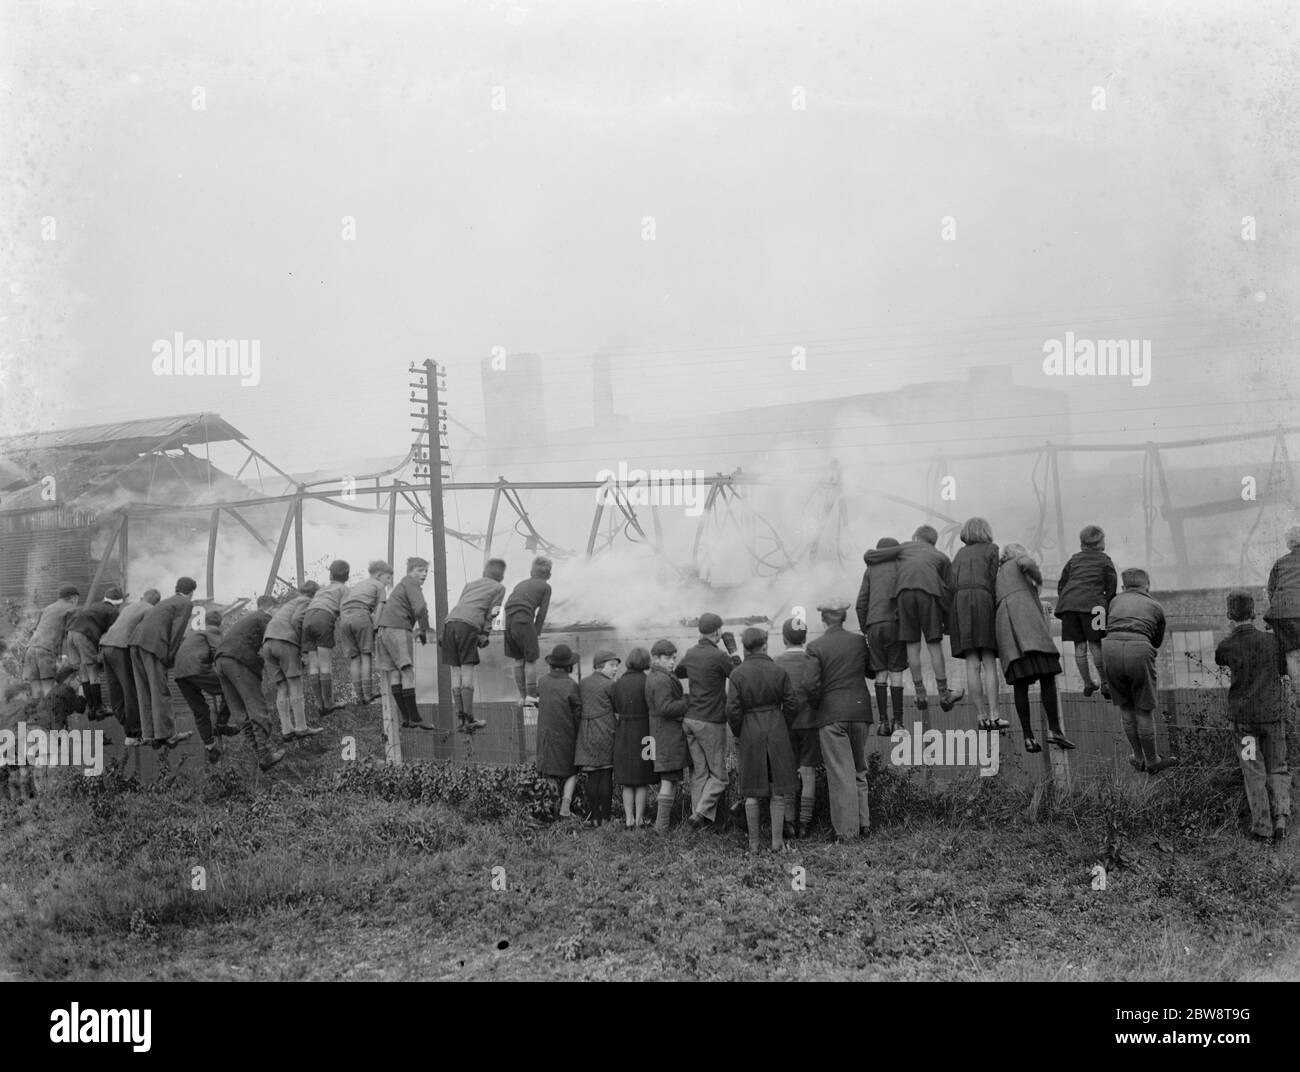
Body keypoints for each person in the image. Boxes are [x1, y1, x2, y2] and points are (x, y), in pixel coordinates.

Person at [1215, 590, 1290, 842]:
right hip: (1272, 716)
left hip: (1244, 721)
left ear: (1229, 615)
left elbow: (1220, 660)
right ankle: (1281, 820)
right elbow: (1282, 668)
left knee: (1252, 770)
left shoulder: (1226, 645)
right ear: (1254, 613)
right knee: (1278, 767)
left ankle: (1262, 827)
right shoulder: (1272, 642)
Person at [863, 526, 963, 711]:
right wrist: (948, 620)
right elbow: (951, 588)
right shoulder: (941, 557)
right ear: (933, 541)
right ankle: (943, 693)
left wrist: (873, 554)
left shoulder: (906, 547)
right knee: (934, 646)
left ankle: (920, 693)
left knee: (912, 646)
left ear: (916, 537)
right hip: (930, 595)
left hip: (904, 595)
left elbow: (871, 557)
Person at [804, 597, 873, 841]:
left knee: (840, 773)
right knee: (859, 769)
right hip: (860, 712)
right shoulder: (858, 641)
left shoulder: (815, 646)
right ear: (844, 617)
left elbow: (811, 687)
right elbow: (873, 670)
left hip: (832, 716)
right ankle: (864, 825)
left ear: (823, 619)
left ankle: (847, 833)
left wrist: (817, 707)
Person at [994, 544, 1074, 753]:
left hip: (1007, 630)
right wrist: (1037, 579)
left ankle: (1028, 737)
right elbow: (1026, 562)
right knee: (1047, 676)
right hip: (1027, 625)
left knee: (1020, 685)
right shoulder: (1017, 562)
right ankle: (1055, 730)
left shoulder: (997, 574)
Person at [727, 627, 800, 854]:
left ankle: (754, 845)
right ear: (766, 645)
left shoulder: (737, 674)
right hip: (776, 729)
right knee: (777, 790)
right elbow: (792, 705)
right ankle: (777, 843)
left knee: (751, 792)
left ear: (745, 647)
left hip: (750, 731)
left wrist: (741, 731)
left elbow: (732, 710)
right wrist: (781, 725)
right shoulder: (779, 671)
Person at [1102, 568, 1176, 774]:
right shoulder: (1155, 606)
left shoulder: (1114, 601)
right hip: (1139, 649)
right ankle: (1153, 760)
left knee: (1126, 708)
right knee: (1143, 709)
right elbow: (1157, 641)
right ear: (1148, 586)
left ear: (1123, 587)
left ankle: (1137, 756)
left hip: (1110, 648)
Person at [680, 612, 740, 830]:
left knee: (699, 773)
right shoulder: (719, 656)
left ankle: (702, 825)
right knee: (720, 777)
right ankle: (699, 814)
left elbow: (679, 670)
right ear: (717, 632)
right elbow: (740, 676)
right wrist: (733, 651)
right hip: (711, 721)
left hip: (690, 719)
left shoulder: (690, 653)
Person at [214, 596, 286, 772]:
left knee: (240, 714)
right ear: (272, 608)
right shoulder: (264, 618)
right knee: (257, 709)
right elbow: (275, 644)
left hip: (221, 663)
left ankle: (261, 756)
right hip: (238, 661)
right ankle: (265, 752)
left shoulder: (247, 621)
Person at [949, 518, 1006, 733]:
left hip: (960, 604)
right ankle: (995, 714)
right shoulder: (992, 549)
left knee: (972, 663)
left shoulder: (960, 554)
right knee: (989, 662)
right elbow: (993, 580)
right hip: (982, 600)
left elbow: (952, 582)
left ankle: (981, 715)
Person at [441, 558, 508, 733]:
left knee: (455, 672)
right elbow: (493, 612)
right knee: (467, 672)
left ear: (485, 571)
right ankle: (470, 718)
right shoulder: (499, 588)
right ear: (501, 575)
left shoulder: (470, 584)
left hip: (449, 624)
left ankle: (461, 720)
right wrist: (485, 634)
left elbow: (462, 605)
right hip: (468, 626)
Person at [129, 577, 197, 749]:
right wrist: (169, 658)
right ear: (192, 592)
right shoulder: (185, 603)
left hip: (136, 643)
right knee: (160, 690)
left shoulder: (166, 602)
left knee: (144, 690)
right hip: (153, 646)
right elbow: (176, 632)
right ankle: (168, 734)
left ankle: (149, 734)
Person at [1055, 525, 1118, 698]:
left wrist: (1070, 600)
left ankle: (1088, 683)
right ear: (1099, 542)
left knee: (1079, 646)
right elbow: (1111, 588)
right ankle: (1105, 683)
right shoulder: (1105, 560)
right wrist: (1105, 604)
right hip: (1093, 606)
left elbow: (1062, 584)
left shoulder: (1074, 560)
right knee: (1095, 644)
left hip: (1070, 605)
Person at [262, 581, 324, 742]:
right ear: (315, 594)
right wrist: (302, 645)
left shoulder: (290, 603)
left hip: (268, 643)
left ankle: (287, 729)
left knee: (281, 686)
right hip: (285, 641)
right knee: (295, 684)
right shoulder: (307, 602)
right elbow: (297, 620)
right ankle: (302, 727)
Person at [375, 557, 432, 731]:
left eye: (426, 571)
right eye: (420, 570)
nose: (424, 574)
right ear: (410, 571)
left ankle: (406, 718)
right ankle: (415, 717)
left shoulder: (401, 586)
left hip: (383, 630)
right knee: (407, 672)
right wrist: (424, 629)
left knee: (395, 673)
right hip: (398, 627)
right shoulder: (410, 583)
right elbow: (421, 607)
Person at [857, 537, 907, 736]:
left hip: (874, 625)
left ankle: (883, 722)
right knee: (896, 672)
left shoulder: (870, 570)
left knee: (881, 673)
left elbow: (861, 603)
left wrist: (866, 628)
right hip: (896, 624)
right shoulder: (900, 566)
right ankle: (899, 722)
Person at [774, 616, 818, 838]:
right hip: (810, 721)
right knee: (808, 771)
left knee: (789, 772)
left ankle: (789, 822)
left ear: (783, 638)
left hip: (785, 723)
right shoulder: (812, 660)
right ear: (805, 637)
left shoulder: (777, 661)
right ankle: (805, 824)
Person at [98, 588, 160, 746]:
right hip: (121, 647)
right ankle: (134, 732)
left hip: (105, 646)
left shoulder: (129, 607)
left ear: (142, 596)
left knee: (115, 689)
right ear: (156, 603)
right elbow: (146, 634)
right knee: (130, 689)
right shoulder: (151, 610)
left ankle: (127, 727)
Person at [174, 607, 232, 764]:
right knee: (231, 687)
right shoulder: (213, 630)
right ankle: (221, 724)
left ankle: (210, 747)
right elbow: (219, 651)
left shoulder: (193, 632)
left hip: (179, 673)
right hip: (195, 668)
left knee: (200, 710)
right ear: (219, 623)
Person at [645, 638, 689, 833]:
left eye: (674, 658)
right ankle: (661, 826)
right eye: (668, 658)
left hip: (661, 732)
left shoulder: (656, 676)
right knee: (668, 779)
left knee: (669, 778)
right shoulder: (661, 679)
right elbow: (665, 707)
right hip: (667, 733)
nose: (672, 662)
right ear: (656, 658)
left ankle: (662, 825)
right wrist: (687, 701)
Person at [339, 560, 393, 709]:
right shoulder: (379, 586)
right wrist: (376, 626)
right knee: (366, 655)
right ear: (379, 575)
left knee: (354, 658)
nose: (389, 582)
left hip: (344, 619)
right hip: (361, 616)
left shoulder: (359, 585)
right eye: (388, 578)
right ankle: (368, 694)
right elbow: (380, 608)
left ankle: (359, 696)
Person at [536, 642, 582, 818]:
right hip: (566, 734)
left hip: (545, 735)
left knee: (549, 771)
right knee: (571, 771)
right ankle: (565, 806)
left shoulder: (542, 682)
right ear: (569, 666)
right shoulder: (571, 685)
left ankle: (551, 806)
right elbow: (577, 713)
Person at [612, 646, 655, 829]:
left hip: (623, 733)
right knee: (642, 779)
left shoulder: (618, 682)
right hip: (645, 733)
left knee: (627, 781)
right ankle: (639, 820)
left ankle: (628, 819)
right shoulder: (648, 681)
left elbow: (615, 706)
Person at [65, 585, 123, 719]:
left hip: (71, 635)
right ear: (118, 603)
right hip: (83, 636)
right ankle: (99, 708)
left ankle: (91, 709)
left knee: (83, 671)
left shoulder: (96, 606)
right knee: (93, 671)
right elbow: (111, 635)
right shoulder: (112, 612)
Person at [503, 556, 552, 710]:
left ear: (531, 572)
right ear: (549, 575)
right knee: (530, 659)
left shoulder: (521, 583)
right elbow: (542, 613)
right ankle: (532, 696)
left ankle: (523, 696)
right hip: (523, 619)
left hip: (508, 620)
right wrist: (535, 632)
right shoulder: (545, 587)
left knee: (518, 659)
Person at [576, 649, 619, 826]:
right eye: (612, 665)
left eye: (616, 666)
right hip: (607, 732)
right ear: (600, 666)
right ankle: (606, 816)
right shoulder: (610, 685)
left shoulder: (583, 683)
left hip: (587, 733)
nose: (615, 669)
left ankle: (593, 817)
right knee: (606, 775)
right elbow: (618, 706)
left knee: (593, 777)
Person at [301, 559, 349, 716]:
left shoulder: (322, 590)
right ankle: (328, 703)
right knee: (325, 664)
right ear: (347, 576)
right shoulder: (344, 589)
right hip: (323, 618)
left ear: (330, 574)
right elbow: (344, 611)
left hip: (308, 617)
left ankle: (319, 703)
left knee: (314, 665)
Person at [22, 584, 79, 698]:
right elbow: (71, 634)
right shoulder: (72, 609)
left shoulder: (48, 608)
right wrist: (68, 656)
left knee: (37, 691)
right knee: (49, 690)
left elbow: (35, 629)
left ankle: (37, 714)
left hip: (30, 650)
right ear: (73, 598)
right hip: (46, 651)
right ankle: (49, 714)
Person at [1264, 525, 1300, 682]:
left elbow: (1270, 591)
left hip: (1281, 614)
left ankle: (1298, 696)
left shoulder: (1280, 563)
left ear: (1289, 543)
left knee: (1291, 654)